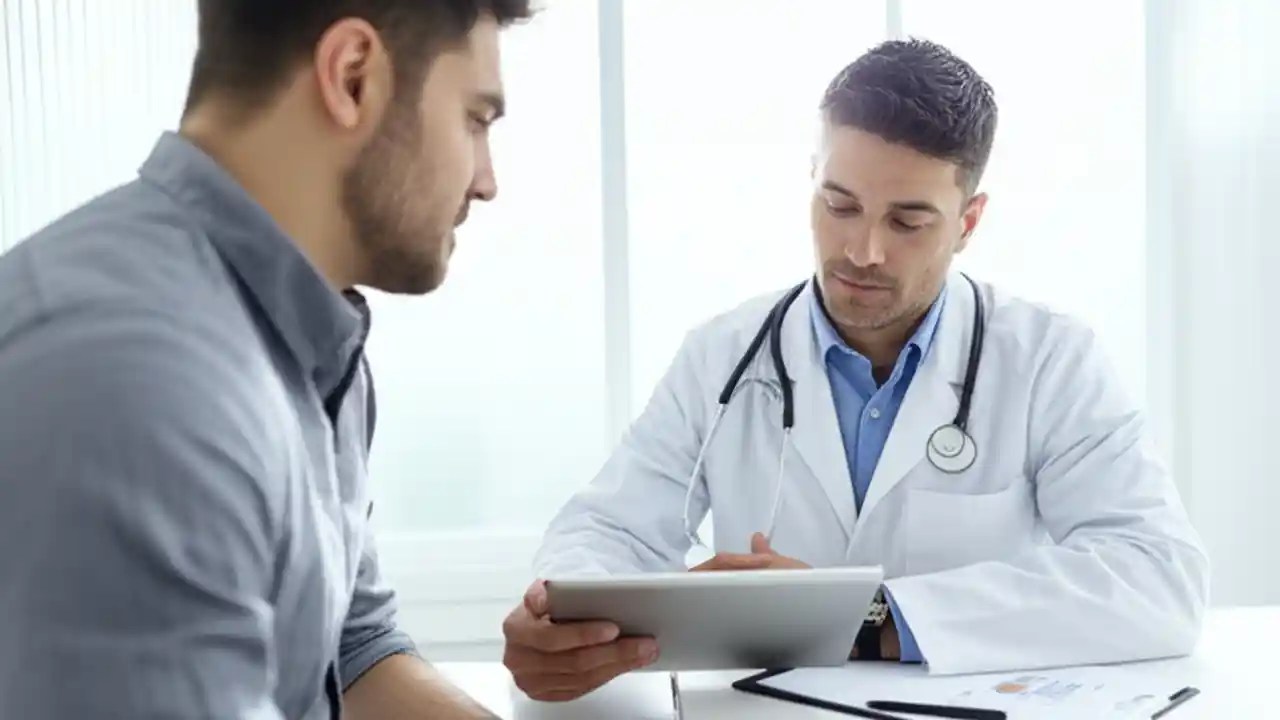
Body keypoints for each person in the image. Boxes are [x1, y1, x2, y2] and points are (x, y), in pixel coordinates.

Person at [502, 39, 1210, 702]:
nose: (864, 250)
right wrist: (563, 615)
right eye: (840, 205)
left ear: (968, 223)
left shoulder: (1050, 360)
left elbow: (1157, 579)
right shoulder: (723, 356)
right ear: (812, 180)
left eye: (908, 222)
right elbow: (609, 530)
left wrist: (868, 619)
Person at [0, 1, 532, 717]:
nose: (485, 178)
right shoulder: (140, 384)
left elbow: (351, 653)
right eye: (476, 118)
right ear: (352, 77)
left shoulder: (300, 340)